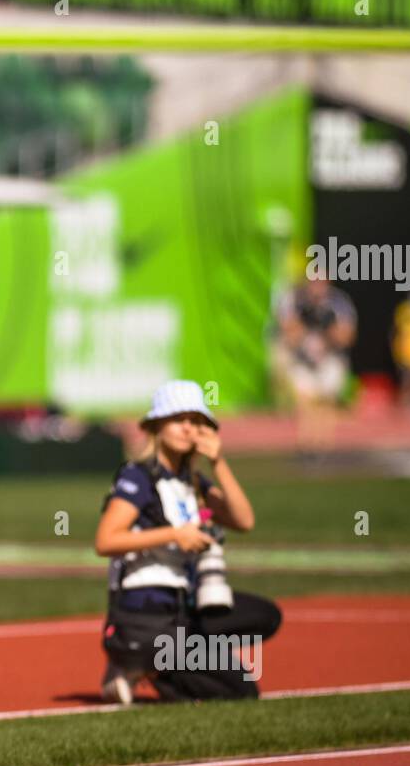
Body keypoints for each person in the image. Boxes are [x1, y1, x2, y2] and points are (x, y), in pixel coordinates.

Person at [93, 380, 281, 704]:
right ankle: (141, 663)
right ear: (157, 426)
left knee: (264, 617)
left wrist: (219, 462)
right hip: (143, 615)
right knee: (238, 690)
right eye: (178, 419)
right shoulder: (138, 476)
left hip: (181, 608)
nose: (188, 428)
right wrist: (174, 534)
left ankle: (164, 663)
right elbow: (105, 541)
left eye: (195, 422)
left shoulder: (191, 481)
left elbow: (243, 520)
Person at [273, 266, 357, 454]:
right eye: (314, 281)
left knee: (326, 404)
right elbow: (287, 332)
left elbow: (348, 336)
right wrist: (303, 325)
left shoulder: (338, 302)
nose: (317, 286)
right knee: (306, 404)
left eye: (321, 281)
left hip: (329, 359)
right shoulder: (296, 300)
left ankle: (323, 446)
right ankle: (306, 445)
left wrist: (329, 329)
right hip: (304, 360)